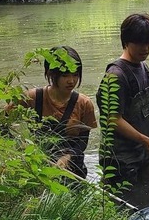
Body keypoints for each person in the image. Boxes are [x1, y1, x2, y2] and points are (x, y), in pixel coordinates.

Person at [97, 13, 149, 186]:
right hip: (121, 160)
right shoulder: (115, 76)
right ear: (126, 41)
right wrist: (145, 140)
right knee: (123, 208)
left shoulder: (143, 67)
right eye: (139, 43)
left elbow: (142, 95)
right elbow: (112, 119)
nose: (145, 48)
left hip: (143, 154)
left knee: (147, 202)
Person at [17, 45, 97, 178]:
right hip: (38, 168)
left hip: (73, 171)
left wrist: (68, 157)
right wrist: (20, 145)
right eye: (65, 75)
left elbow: (82, 142)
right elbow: (2, 121)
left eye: (75, 75)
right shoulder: (32, 98)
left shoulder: (84, 103)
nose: (71, 81)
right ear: (51, 74)